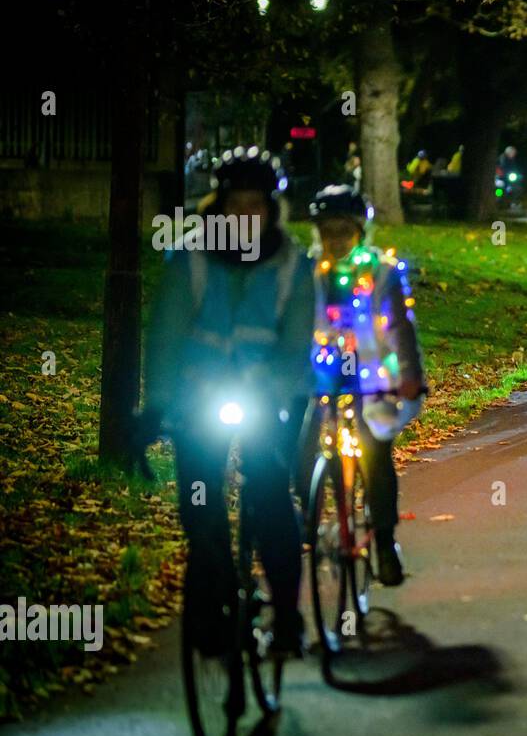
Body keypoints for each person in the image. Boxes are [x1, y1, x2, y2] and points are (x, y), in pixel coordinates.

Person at [140, 148, 315, 656]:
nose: (244, 215)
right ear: (217, 208)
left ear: (270, 210)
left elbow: (294, 345)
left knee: (270, 494)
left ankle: (287, 617)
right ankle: (218, 591)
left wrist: (276, 392)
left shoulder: (292, 268)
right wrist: (158, 404)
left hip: (269, 398)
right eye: (234, 204)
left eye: (254, 205)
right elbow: (167, 336)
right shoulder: (190, 261)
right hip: (200, 398)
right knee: (199, 508)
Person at [301, 185, 425, 585]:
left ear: (359, 232)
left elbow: (401, 330)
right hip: (320, 375)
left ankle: (384, 540)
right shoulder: (306, 274)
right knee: (302, 446)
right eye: (327, 233)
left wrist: (410, 376)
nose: (335, 241)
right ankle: (310, 520)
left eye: (344, 232)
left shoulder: (383, 273)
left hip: (373, 378)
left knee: (374, 454)